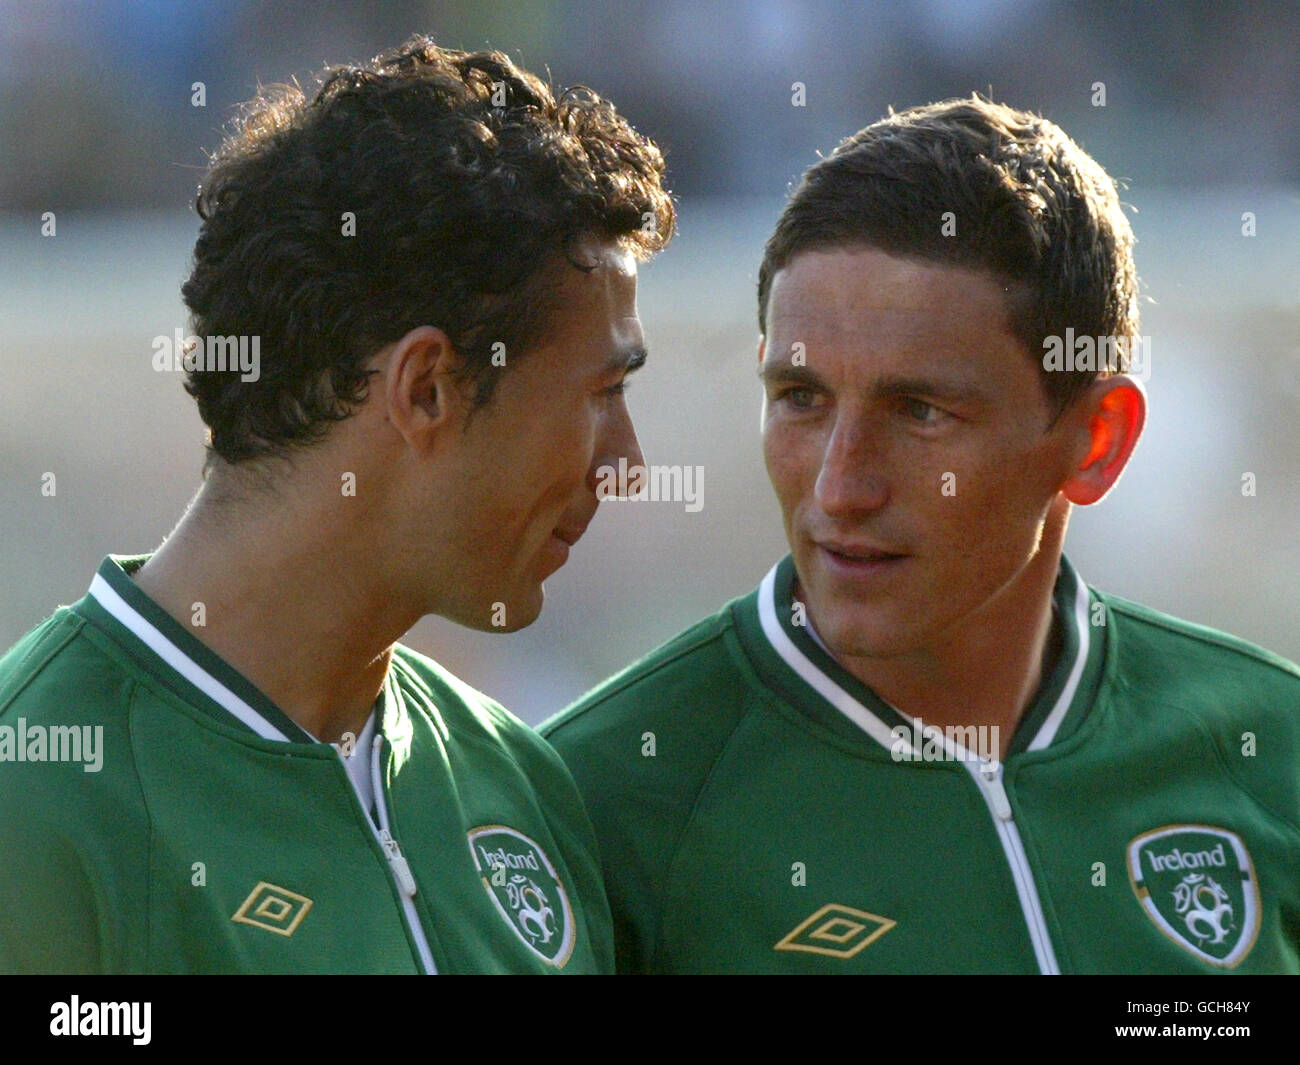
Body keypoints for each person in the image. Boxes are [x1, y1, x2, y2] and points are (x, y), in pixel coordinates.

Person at [542, 96, 1300, 974]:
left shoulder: (1270, 745)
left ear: (1097, 443)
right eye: (801, 398)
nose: (840, 487)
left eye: (920, 411)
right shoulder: (595, 802)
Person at [0, 35, 673, 974]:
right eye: (602, 393)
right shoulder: (35, 799)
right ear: (425, 388)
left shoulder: (516, 783)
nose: (627, 464)